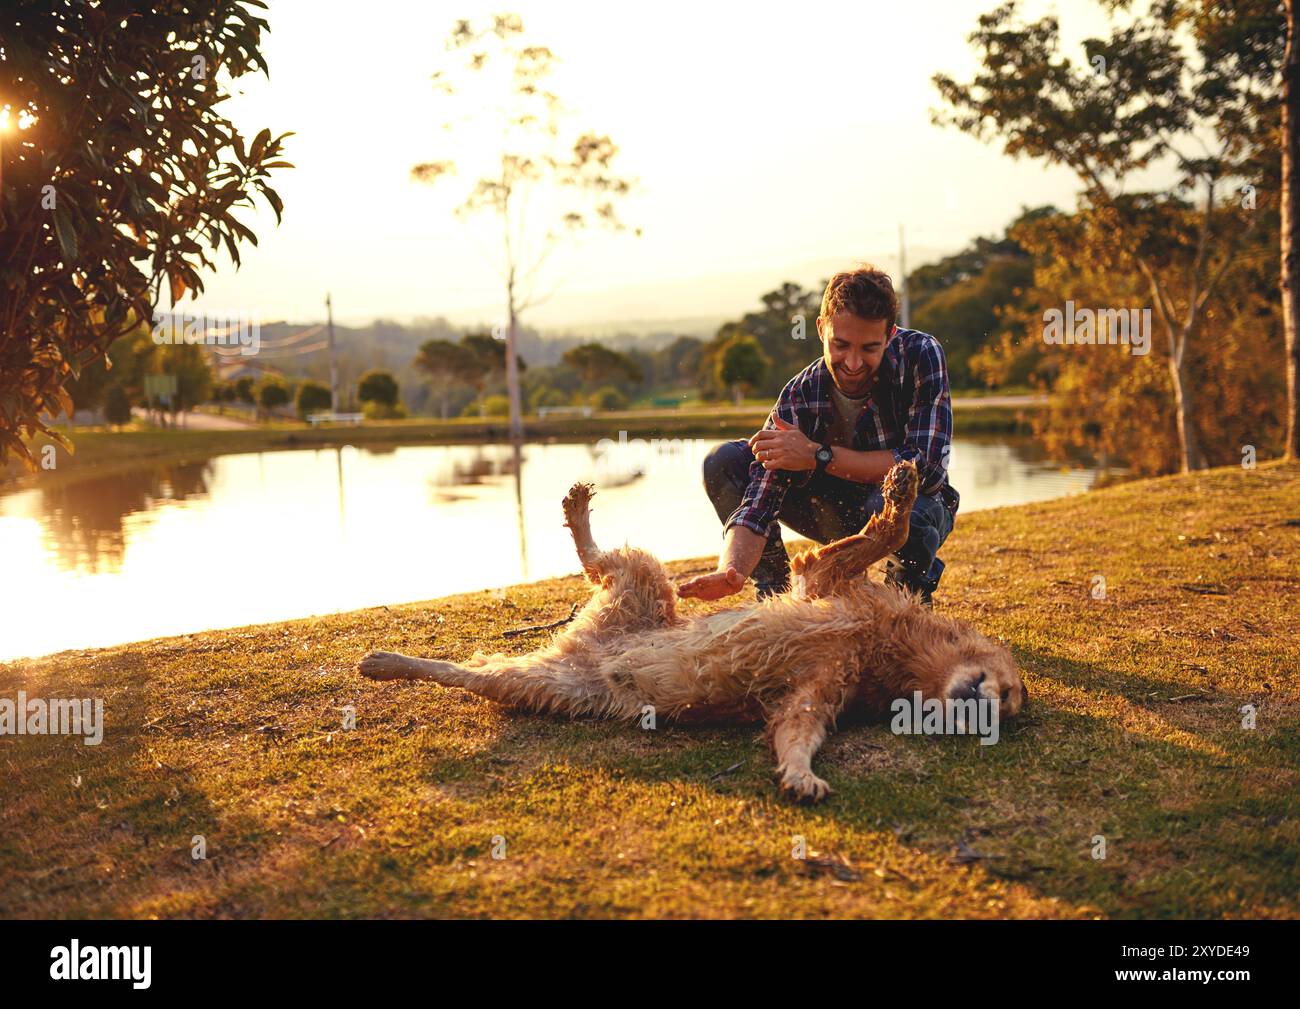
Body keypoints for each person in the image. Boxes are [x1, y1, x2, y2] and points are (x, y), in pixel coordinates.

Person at [678, 265, 958, 606]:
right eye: (840, 345)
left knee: (896, 532)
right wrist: (731, 569)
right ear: (822, 329)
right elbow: (759, 502)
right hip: (837, 512)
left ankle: (907, 590)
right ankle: (775, 595)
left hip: (915, 509)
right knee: (725, 461)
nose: (853, 363)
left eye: (870, 348)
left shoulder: (921, 354)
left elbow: (924, 468)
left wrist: (817, 455)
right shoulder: (799, 395)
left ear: (890, 335)